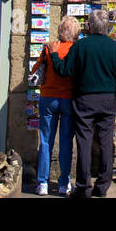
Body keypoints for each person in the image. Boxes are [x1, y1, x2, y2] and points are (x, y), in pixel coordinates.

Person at [48, 9, 116, 197]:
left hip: (84, 99)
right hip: (107, 98)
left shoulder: (81, 46)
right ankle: (102, 186)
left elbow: (64, 70)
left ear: (89, 26)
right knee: (106, 141)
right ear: (106, 27)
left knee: (84, 141)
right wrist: (114, 96)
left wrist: (53, 54)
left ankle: (83, 186)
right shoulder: (114, 47)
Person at [30, 15, 79, 195]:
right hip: (68, 97)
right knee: (66, 142)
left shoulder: (49, 47)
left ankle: (42, 182)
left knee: (45, 140)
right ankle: (63, 183)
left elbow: (35, 70)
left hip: (48, 97)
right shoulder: (76, 49)